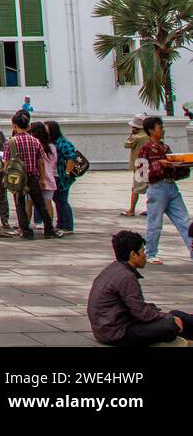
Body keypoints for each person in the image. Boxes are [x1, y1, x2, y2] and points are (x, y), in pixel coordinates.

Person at [88, 230, 193, 347]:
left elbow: (135, 307)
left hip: (107, 328)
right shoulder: (126, 277)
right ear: (133, 254)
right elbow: (141, 312)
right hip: (116, 333)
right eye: (142, 251)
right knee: (170, 324)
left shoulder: (114, 269)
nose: (145, 255)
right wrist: (167, 317)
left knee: (175, 315)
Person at [136, 116, 193, 263]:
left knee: (185, 221)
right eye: (159, 127)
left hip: (171, 186)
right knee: (154, 223)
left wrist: (181, 166)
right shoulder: (145, 150)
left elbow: (176, 170)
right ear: (151, 131)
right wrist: (160, 166)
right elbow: (141, 174)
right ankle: (150, 253)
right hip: (157, 188)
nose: (162, 130)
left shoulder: (165, 148)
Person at [6, 110, 59, 239]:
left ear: (14, 126)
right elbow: (40, 161)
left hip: (18, 178)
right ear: (28, 126)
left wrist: (7, 177)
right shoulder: (35, 141)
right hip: (32, 176)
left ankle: (26, 231)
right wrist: (41, 178)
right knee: (40, 203)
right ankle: (49, 229)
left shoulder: (11, 142)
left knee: (20, 204)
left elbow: (7, 163)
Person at [45, 120, 78, 234]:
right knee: (58, 200)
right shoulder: (54, 142)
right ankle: (61, 223)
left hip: (60, 177)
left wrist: (67, 173)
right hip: (55, 176)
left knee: (62, 201)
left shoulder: (62, 142)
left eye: (47, 129)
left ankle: (67, 226)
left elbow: (72, 157)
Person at [123, 115, 149, 217]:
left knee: (135, 188)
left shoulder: (136, 137)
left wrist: (131, 134)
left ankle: (131, 210)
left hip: (140, 165)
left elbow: (127, 145)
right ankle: (150, 208)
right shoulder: (149, 135)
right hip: (149, 163)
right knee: (150, 187)